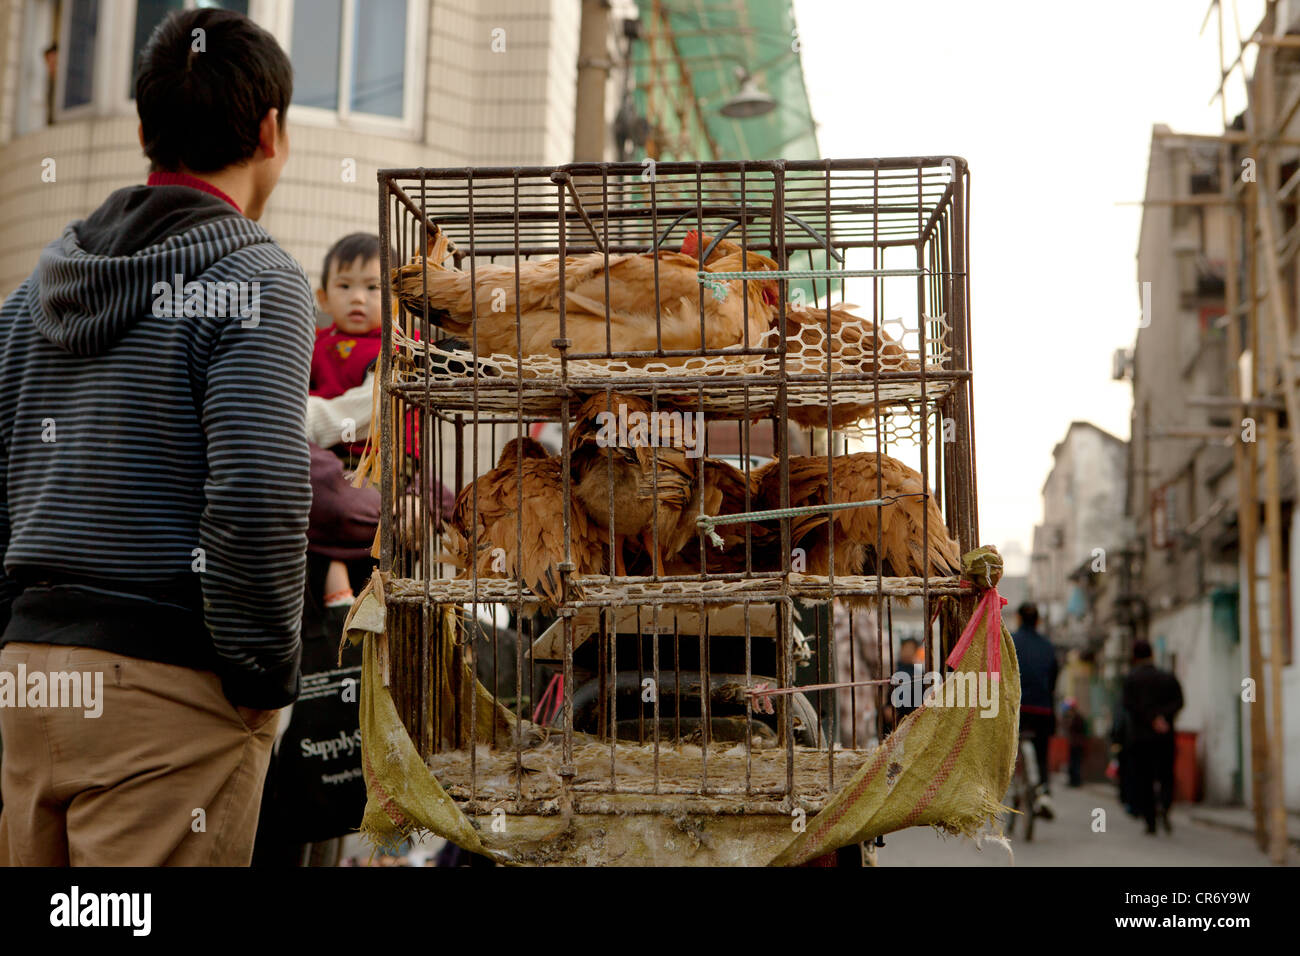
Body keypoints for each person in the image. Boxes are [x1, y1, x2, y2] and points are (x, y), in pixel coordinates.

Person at [0, 8, 310, 866]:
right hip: (164, 693)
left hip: (29, 678)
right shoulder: (256, 278)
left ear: (144, 129)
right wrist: (259, 677)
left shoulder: (33, 296)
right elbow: (257, 491)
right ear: (270, 131)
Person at [309, 232, 387, 613]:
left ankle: (358, 599)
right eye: (345, 286)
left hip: (375, 463)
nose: (358, 298)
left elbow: (376, 411)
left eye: (373, 288)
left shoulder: (396, 348)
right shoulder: (311, 344)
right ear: (323, 297)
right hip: (323, 463)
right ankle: (336, 595)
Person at [1121, 640, 1184, 835]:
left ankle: (1150, 822)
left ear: (1134, 656)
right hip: (1164, 736)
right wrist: (1162, 718)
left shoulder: (1131, 679)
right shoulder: (1167, 677)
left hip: (1141, 739)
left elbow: (1129, 706)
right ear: (1152, 655)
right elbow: (1179, 701)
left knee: (1144, 778)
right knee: (1166, 774)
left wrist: (1150, 719)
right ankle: (1165, 806)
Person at [1011, 602, 1058, 819]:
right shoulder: (1048, 646)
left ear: (1019, 619)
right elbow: (1053, 680)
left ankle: (1005, 786)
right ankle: (1044, 793)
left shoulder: (1010, 641)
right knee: (1041, 754)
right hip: (1043, 710)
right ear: (1038, 621)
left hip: (1017, 709)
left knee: (1009, 749)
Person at [889, 638, 924, 722]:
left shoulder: (919, 673)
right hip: (894, 715)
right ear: (901, 649)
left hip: (912, 716)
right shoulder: (892, 669)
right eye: (906, 648)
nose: (908, 652)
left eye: (911, 649)